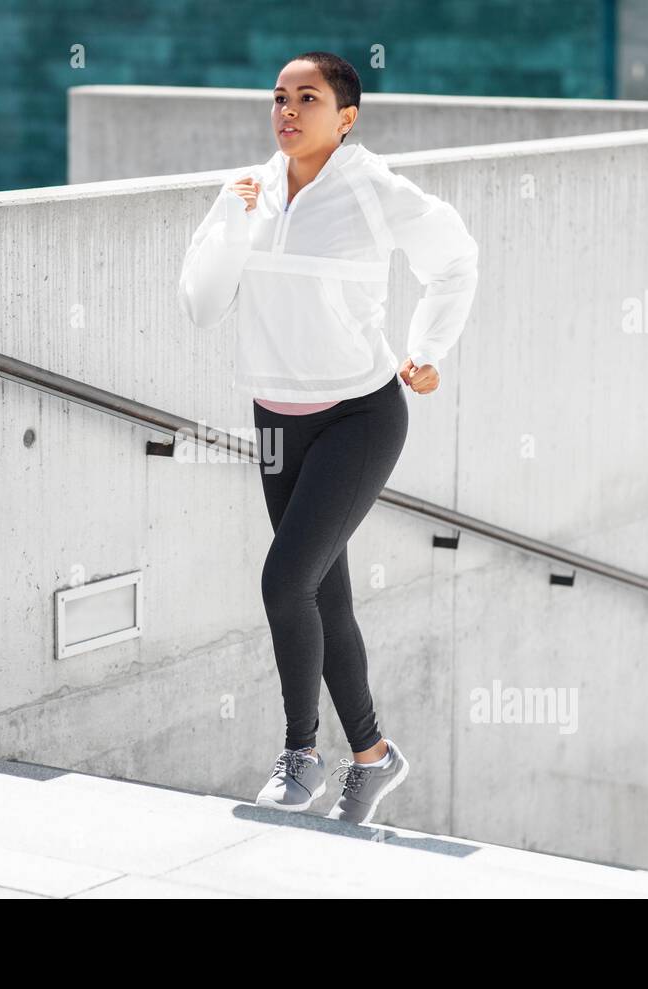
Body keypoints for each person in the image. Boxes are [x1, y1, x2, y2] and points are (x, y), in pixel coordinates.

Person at [177, 51, 479, 825]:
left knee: (285, 581)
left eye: (306, 98)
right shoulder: (250, 190)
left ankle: (301, 753)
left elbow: (455, 260)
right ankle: (375, 758)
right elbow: (203, 305)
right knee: (323, 595)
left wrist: (428, 349)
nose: (286, 110)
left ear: (345, 117)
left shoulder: (373, 189)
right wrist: (230, 222)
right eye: (278, 97)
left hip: (359, 415)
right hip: (275, 420)